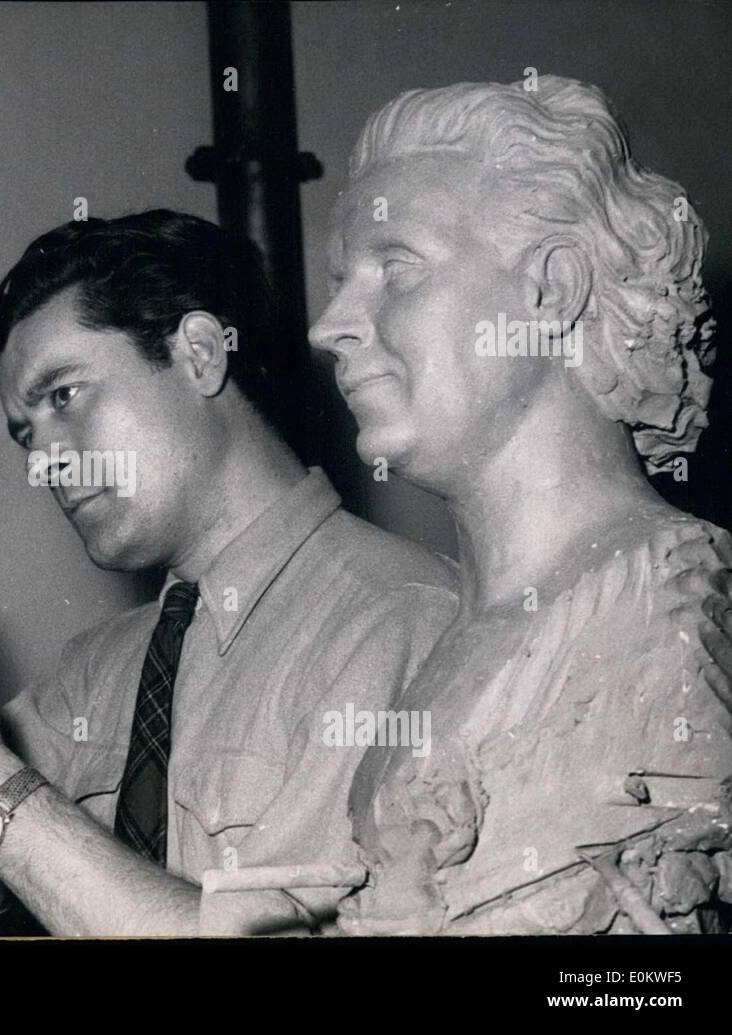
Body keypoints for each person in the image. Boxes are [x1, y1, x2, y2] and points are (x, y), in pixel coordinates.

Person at [0, 210, 460, 935]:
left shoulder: (402, 622)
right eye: (25, 434)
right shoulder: (95, 671)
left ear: (198, 354)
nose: (43, 462)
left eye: (64, 395)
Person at [306, 76, 732, 934]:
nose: (329, 326)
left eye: (396, 267)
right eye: (341, 279)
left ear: (551, 288)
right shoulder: (448, 638)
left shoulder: (679, 610)